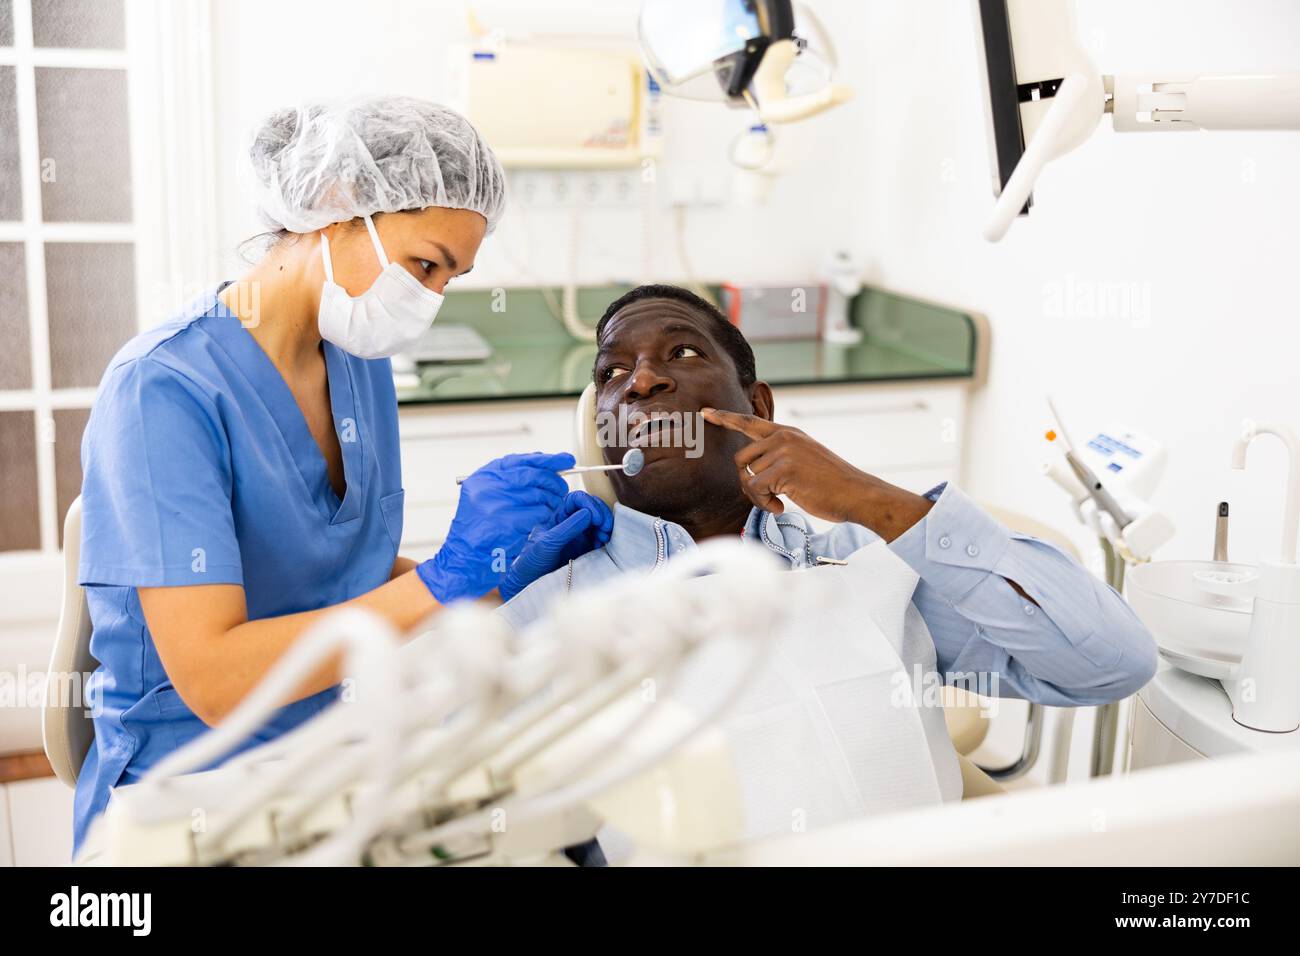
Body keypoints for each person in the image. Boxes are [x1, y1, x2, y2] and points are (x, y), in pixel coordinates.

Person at [72, 96, 611, 854]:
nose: (427, 299)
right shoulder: (164, 389)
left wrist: (491, 577)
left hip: (338, 759)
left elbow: (330, 567)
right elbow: (216, 678)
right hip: (190, 791)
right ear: (334, 202)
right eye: (425, 264)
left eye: (450, 279)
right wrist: (443, 582)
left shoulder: (356, 360)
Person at [499, 283, 1159, 859]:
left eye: (683, 353)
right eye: (612, 372)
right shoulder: (552, 608)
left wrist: (874, 503)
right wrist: (463, 591)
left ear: (758, 408)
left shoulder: (874, 563)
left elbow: (1110, 663)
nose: (640, 381)